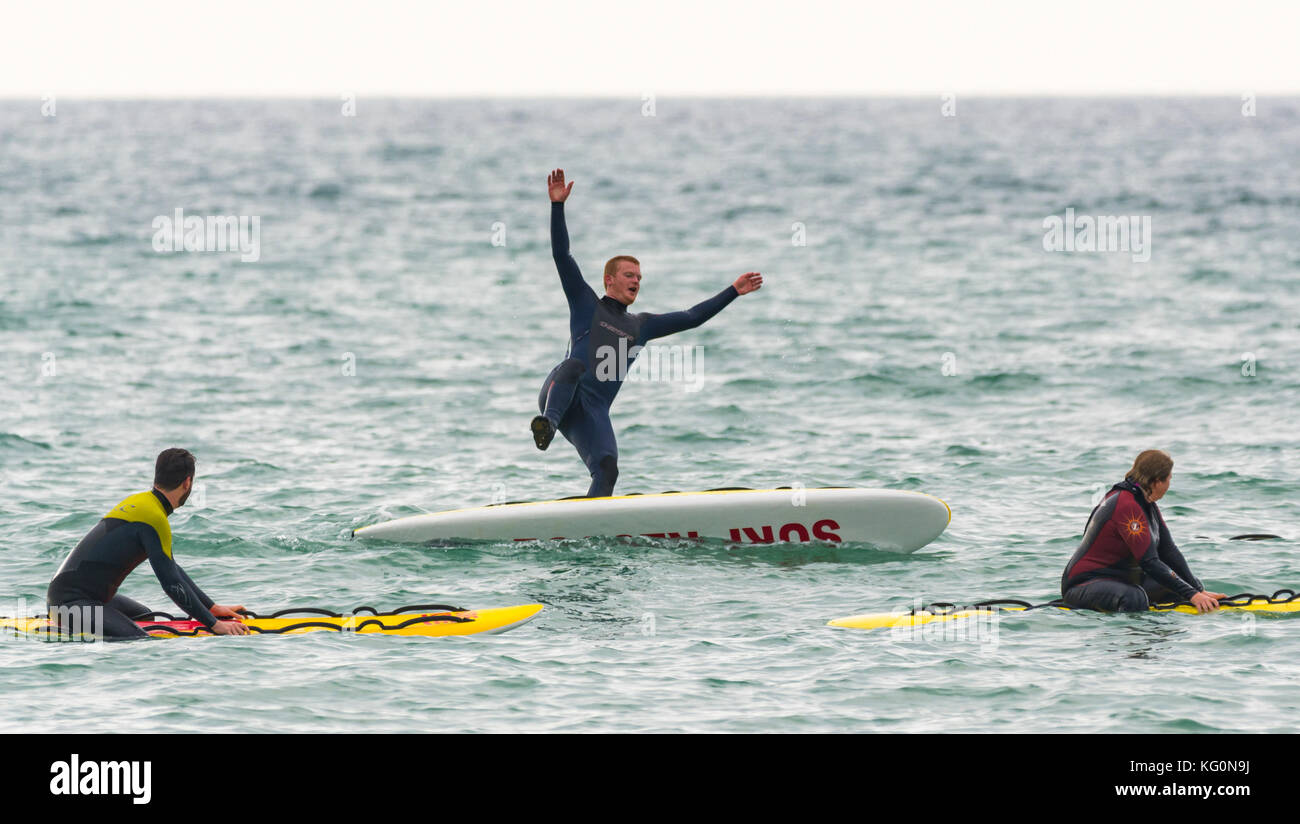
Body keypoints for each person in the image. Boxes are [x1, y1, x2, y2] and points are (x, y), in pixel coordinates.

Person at [531, 168, 762, 497]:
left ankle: (590, 526)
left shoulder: (641, 325)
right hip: (561, 392)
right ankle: (548, 426)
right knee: (573, 366)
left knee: (608, 469)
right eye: (629, 274)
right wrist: (557, 207)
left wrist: (733, 291)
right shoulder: (585, 304)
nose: (636, 281)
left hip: (592, 412)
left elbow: (692, 316)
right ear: (609, 279)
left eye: (639, 276)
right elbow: (561, 256)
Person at [46, 448, 250, 640]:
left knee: (145, 616)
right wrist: (214, 625)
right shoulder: (154, 519)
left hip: (76, 597)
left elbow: (172, 569)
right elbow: (171, 584)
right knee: (137, 639)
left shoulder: (142, 502)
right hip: (72, 603)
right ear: (187, 483)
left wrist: (212, 608)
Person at [1061, 450, 1226, 613]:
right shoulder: (1127, 505)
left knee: (1176, 587)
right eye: (1169, 479)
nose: (1169, 484)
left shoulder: (1147, 504)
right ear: (1156, 482)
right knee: (1134, 597)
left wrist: (1197, 590)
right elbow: (1149, 562)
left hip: (1121, 579)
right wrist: (1192, 595)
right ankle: (1137, 638)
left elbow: (1169, 551)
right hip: (1082, 585)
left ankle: (1165, 635)